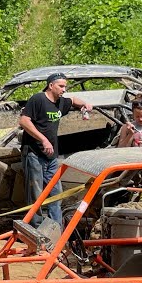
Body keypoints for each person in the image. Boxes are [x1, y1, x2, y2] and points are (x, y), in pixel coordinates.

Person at [19, 72, 93, 227]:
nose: (64, 89)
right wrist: (43, 139)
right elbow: (24, 121)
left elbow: (72, 100)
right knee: (35, 194)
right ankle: (36, 229)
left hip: (51, 157)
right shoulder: (38, 99)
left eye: (65, 86)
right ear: (51, 85)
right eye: (61, 86)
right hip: (34, 153)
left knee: (56, 194)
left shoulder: (61, 102)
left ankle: (55, 229)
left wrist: (84, 104)